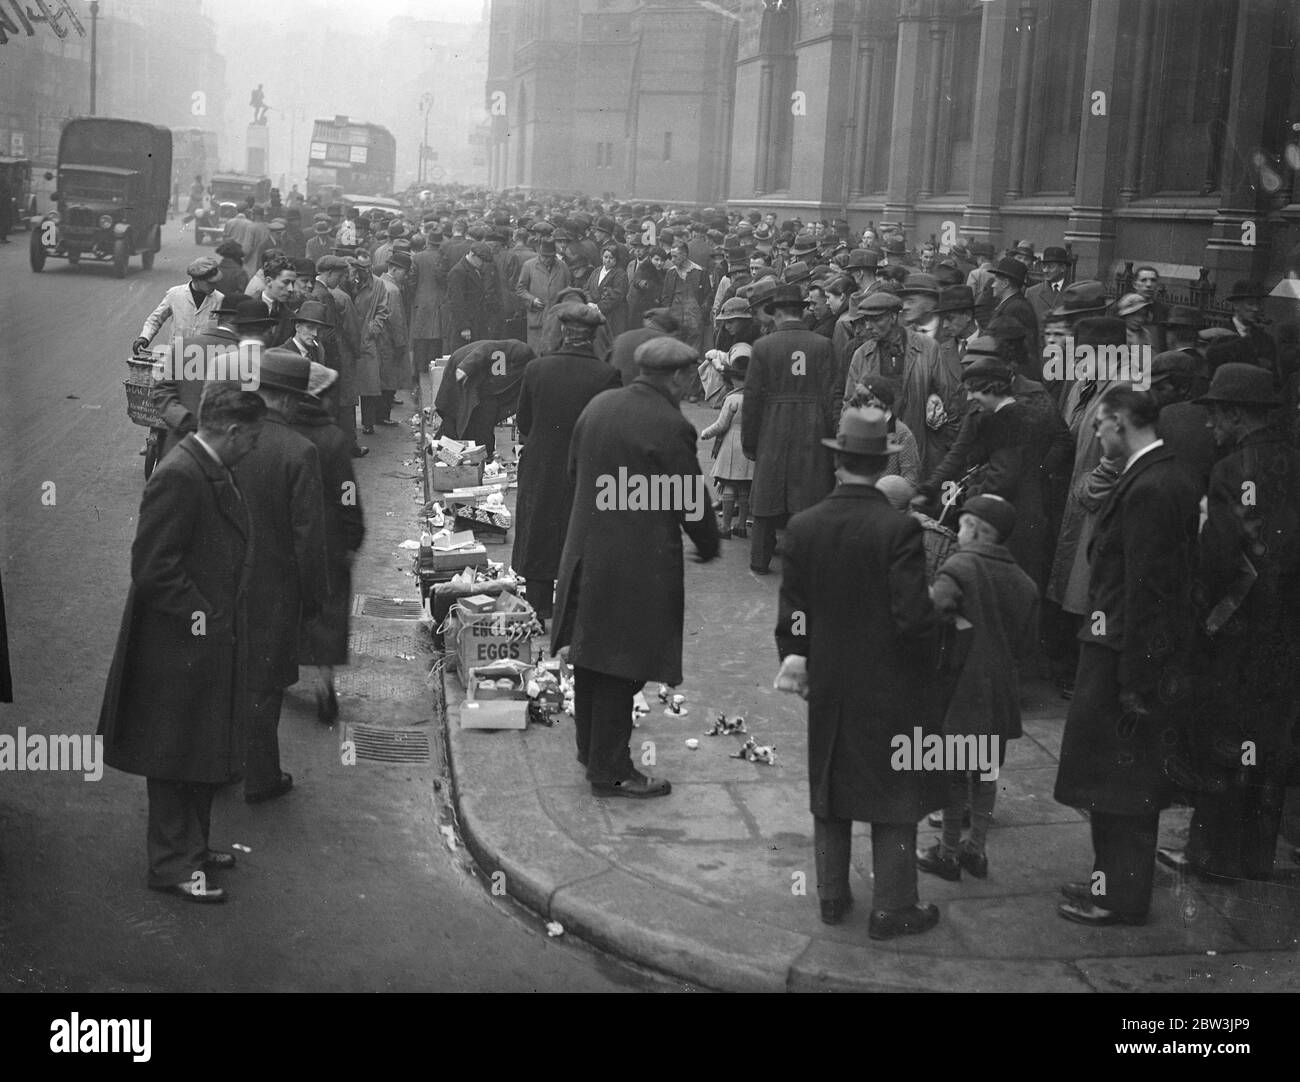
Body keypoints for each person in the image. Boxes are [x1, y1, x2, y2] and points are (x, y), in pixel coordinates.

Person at [774, 407, 943, 938]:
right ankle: (893, 907)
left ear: (837, 463)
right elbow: (913, 618)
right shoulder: (898, 529)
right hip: (889, 681)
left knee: (830, 781)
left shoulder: (804, 526)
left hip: (828, 678)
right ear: (880, 465)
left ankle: (831, 896)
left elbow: (793, 613)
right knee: (893, 790)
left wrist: (799, 655)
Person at [99, 387, 268, 903]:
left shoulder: (208, 465)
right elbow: (152, 567)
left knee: (200, 744)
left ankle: (192, 847)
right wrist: (204, 617)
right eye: (253, 438)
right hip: (178, 643)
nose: (255, 448)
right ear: (233, 431)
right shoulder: (179, 474)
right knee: (173, 752)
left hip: (203, 638)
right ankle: (173, 864)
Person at [1054, 385, 1199, 926]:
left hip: (1123, 654)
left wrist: (1135, 679)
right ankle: (1108, 882)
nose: (1095, 433)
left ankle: (1119, 897)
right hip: (1117, 646)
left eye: (1100, 425)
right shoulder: (1158, 474)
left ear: (1119, 422)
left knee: (1121, 783)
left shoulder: (1152, 485)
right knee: (1112, 781)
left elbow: (1150, 593)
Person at [551, 335, 720, 798]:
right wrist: (707, 543)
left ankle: (592, 751)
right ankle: (613, 771)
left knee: (590, 656)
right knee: (621, 665)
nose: (692, 386)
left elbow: (573, 472)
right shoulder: (669, 424)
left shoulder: (600, 405)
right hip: (634, 561)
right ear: (678, 377)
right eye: (690, 378)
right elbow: (689, 499)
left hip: (586, 550)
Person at [1158, 365, 1299, 882]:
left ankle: (1211, 855)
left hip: (1236, 631)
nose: (1211, 427)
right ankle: (1256, 856)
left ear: (1237, 415)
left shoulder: (1232, 469)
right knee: (1267, 743)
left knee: (1222, 740)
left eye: (1216, 415)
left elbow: (1218, 561)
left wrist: (1195, 625)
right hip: (1287, 632)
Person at [916, 494, 1039, 882]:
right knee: (985, 774)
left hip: (960, 689)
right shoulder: (1024, 581)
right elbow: (1027, 644)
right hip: (999, 690)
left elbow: (933, 614)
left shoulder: (960, 565)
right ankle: (977, 852)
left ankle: (949, 854)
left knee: (952, 775)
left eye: (963, 524)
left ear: (975, 529)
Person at [233, 349, 330, 805]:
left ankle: (219, 769)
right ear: (290, 401)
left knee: (224, 677)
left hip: (219, 583)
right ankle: (261, 776)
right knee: (263, 686)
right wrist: (313, 599)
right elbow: (308, 537)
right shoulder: (299, 451)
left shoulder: (229, 436)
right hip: (272, 590)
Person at [513, 305, 621, 622]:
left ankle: (538, 607)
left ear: (563, 332)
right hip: (586, 467)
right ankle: (572, 612)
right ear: (593, 336)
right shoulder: (607, 375)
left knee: (539, 530)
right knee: (580, 531)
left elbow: (523, 423)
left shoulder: (537, 369)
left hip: (542, 464)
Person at [742, 284, 842, 574]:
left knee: (767, 490)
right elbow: (832, 394)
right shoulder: (823, 345)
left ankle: (759, 559)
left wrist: (750, 441)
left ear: (777, 315)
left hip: (773, 422)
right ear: (800, 312)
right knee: (810, 489)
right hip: (813, 424)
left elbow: (752, 399)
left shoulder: (763, 347)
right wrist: (833, 435)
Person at [287, 363, 366, 726]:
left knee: (289, 608)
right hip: (329, 539)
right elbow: (347, 494)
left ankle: (279, 674)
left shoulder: (281, 431)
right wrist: (353, 535)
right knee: (328, 614)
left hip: (287, 535)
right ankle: (324, 685)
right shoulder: (334, 438)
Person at [434, 338, 535, 453]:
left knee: (475, 418)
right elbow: (490, 348)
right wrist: (466, 367)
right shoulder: (524, 352)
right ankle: (450, 449)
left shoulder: (529, 378)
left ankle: (454, 450)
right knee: (460, 413)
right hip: (466, 364)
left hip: (483, 384)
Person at [699, 343, 754, 539]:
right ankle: (741, 526)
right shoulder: (755, 397)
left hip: (731, 445)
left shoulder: (732, 399)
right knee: (745, 489)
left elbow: (721, 425)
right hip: (749, 446)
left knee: (729, 486)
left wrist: (705, 433)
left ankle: (726, 526)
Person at [133, 256, 225, 356]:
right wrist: (145, 337)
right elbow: (155, 319)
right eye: (209, 283)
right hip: (175, 357)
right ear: (197, 280)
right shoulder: (175, 294)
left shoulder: (220, 299)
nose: (214, 285)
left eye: (215, 282)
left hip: (205, 359)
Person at [515, 238, 571, 353]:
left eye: (550, 256)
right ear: (539, 254)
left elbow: (569, 290)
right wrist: (532, 300)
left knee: (555, 353)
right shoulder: (529, 266)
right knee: (536, 353)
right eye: (544, 256)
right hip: (537, 319)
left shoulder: (563, 267)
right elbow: (520, 289)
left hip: (557, 319)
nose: (547, 259)